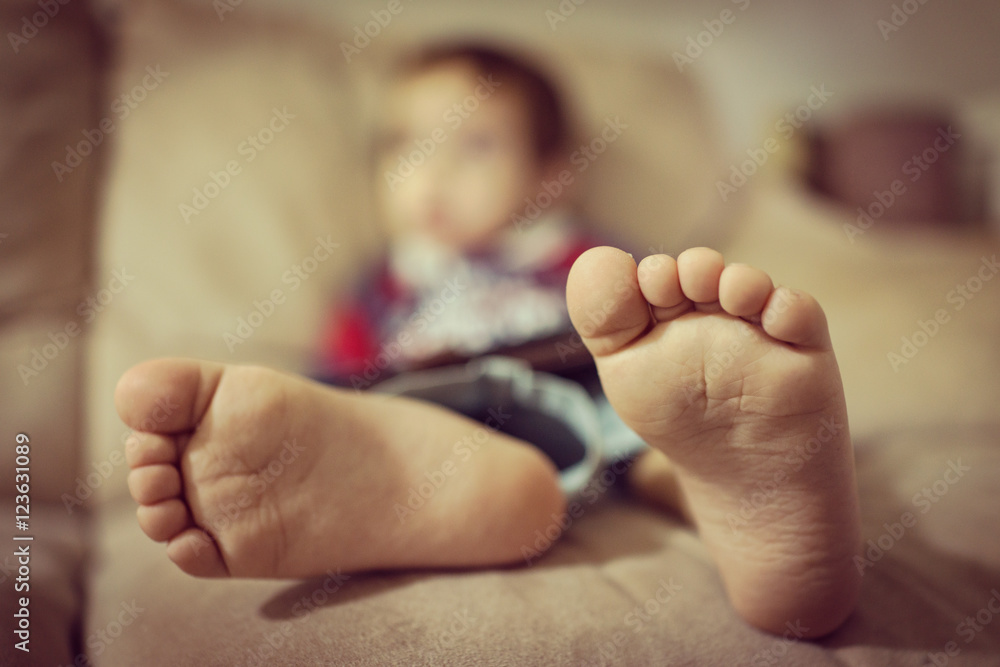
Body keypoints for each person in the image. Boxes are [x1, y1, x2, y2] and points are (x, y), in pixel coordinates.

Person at [116, 43, 862, 638]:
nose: (431, 174)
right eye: (406, 146)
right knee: (423, 442)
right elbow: (336, 385)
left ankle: (734, 488)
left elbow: (659, 342)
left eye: (472, 147)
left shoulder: (576, 254)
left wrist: (676, 348)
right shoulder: (381, 287)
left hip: (596, 402)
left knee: (662, 438)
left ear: (546, 179)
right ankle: (435, 492)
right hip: (434, 421)